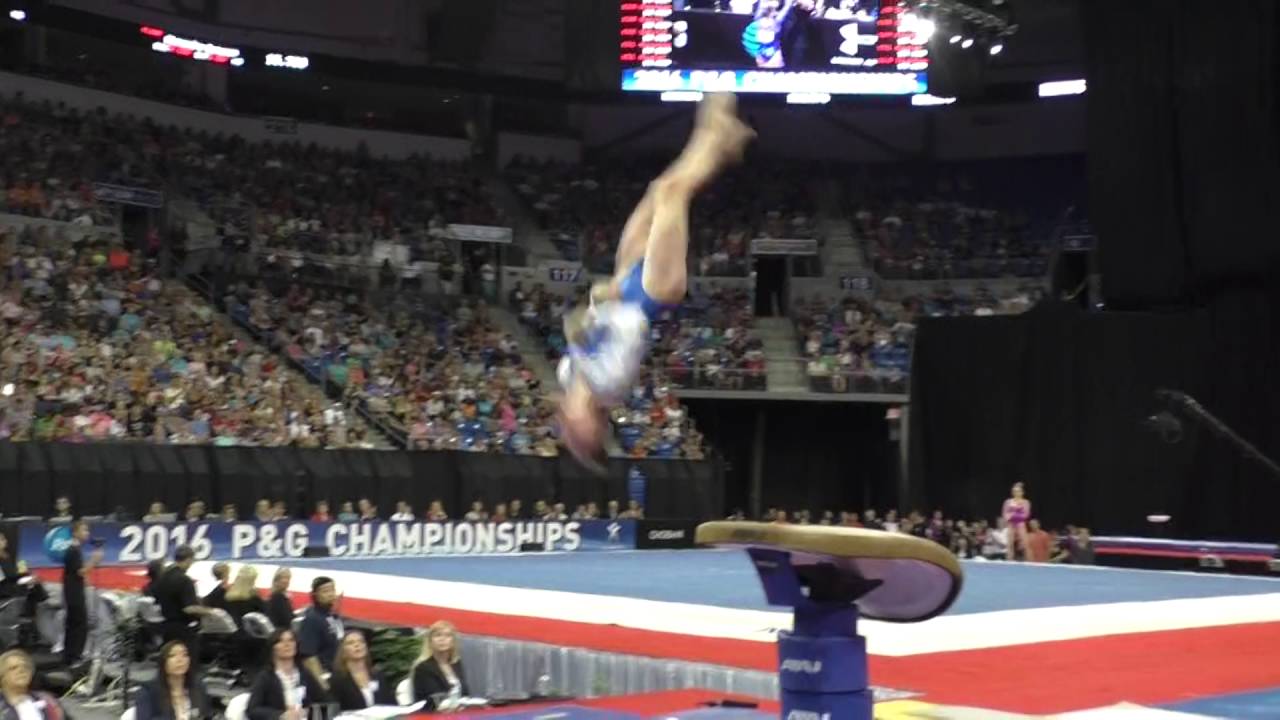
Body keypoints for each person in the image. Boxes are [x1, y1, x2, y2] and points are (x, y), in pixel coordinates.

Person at [557, 93, 754, 470]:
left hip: (625, 277)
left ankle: (722, 138)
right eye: (576, 436)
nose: (566, 429)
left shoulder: (568, 375)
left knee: (658, 188)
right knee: (671, 192)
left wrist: (589, 311)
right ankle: (719, 109)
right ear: (593, 428)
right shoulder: (610, 387)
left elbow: (573, 326)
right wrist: (602, 303)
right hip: (652, 291)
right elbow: (630, 326)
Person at [246, 629, 328, 720]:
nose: (287, 644)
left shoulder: (304, 673)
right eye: (281, 641)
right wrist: (281, 715)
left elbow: (325, 700)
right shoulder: (265, 677)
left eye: (291, 640)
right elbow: (252, 710)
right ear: (272, 648)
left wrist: (309, 712)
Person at [153, 546, 214, 654]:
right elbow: (189, 608)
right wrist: (210, 612)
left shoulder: (162, 578)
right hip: (183, 629)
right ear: (189, 559)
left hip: (166, 627)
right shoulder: (185, 580)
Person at [133, 641, 212, 720]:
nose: (180, 660)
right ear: (163, 662)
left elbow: (207, 716)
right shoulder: (147, 692)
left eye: (185, 655)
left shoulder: (199, 687)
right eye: (172, 655)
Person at [62, 520, 101, 667]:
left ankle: (71, 655)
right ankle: (74, 656)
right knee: (79, 624)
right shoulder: (73, 550)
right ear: (75, 532)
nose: (87, 533)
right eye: (84, 530)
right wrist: (94, 561)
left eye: (87, 530)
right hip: (73, 594)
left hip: (74, 590)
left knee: (74, 624)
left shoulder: (76, 549)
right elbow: (80, 571)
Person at [329, 630, 395, 711]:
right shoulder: (337, 680)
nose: (357, 645)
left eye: (361, 641)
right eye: (351, 643)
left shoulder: (378, 675)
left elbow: (392, 704)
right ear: (343, 651)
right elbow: (333, 711)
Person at [411, 621, 470, 709]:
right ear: (430, 641)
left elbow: (465, 693)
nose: (442, 639)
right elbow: (434, 699)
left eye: (447, 635)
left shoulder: (456, 664)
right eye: (438, 635)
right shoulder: (423, 667)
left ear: (453, 641)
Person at [297, 577, 342, 682]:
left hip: (339, 675)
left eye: (332, 590)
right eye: (325, 591)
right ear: (315, 595)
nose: (331, 594)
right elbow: (309, 657)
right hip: (326, 676)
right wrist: (322, 685)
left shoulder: (333, 616)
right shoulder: (312, 619)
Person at [0, 650, 66, 720]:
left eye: (25, 667)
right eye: (13, 668)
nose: (21, 670)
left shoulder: (49, 700)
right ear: (2, 676)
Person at [0, 534, 47, 618]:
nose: (6, 541)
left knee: (33, 583)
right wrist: (24, 580)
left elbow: (13, 574)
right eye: (2, 540)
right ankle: (39, 604)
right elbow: (5, 579)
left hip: (10, 582)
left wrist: (27, 576)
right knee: (31, 587)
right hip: (3, 587)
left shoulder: (6, 556)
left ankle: (30, 613)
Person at [1002, 482, 1032, 561]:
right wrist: (1010, 516)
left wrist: (1012, 515)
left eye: (1018, 491)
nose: (1016, 493)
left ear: (1022, 492)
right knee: (1010, 544)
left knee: (1025, 544)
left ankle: (1030, 562)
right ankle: (1009, 561)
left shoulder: (1026, 502)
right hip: (1011, 524)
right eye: (1014, 491)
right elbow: (1005, 514)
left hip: (1020, 524)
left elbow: (1026, 515)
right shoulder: (1008, 502)